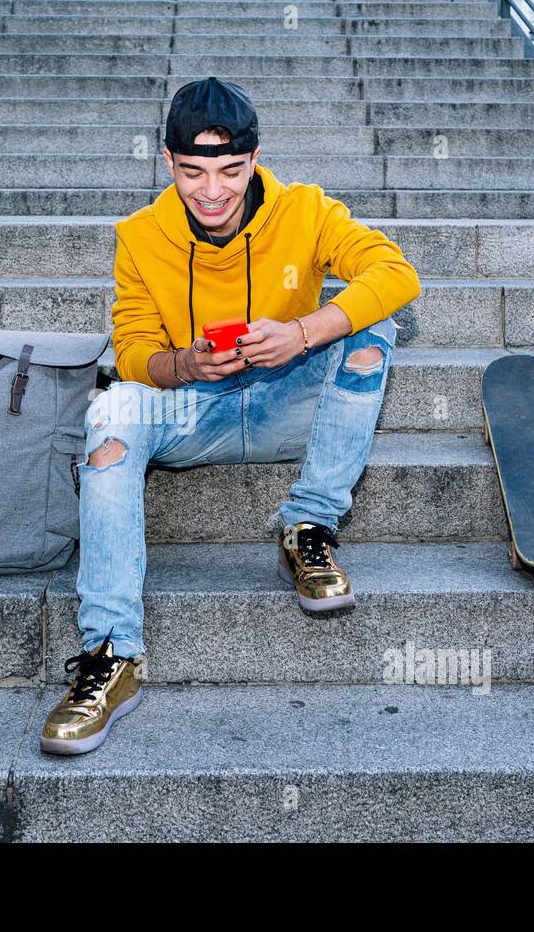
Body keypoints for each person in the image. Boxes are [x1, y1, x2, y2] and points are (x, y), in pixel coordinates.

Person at [39, 77, 421, 755]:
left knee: (373, 331)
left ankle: (308, 523)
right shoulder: (141, 235)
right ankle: (111, 653)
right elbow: (131, 350)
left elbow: (395, 272)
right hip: (194, 413)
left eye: (229, 171)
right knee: (113, 406)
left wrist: (303, 333)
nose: (211, 191)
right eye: (192, 173)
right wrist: (182, 365)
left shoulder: (306, 210)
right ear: (167, 162)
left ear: (255, 159)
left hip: (286, 400)